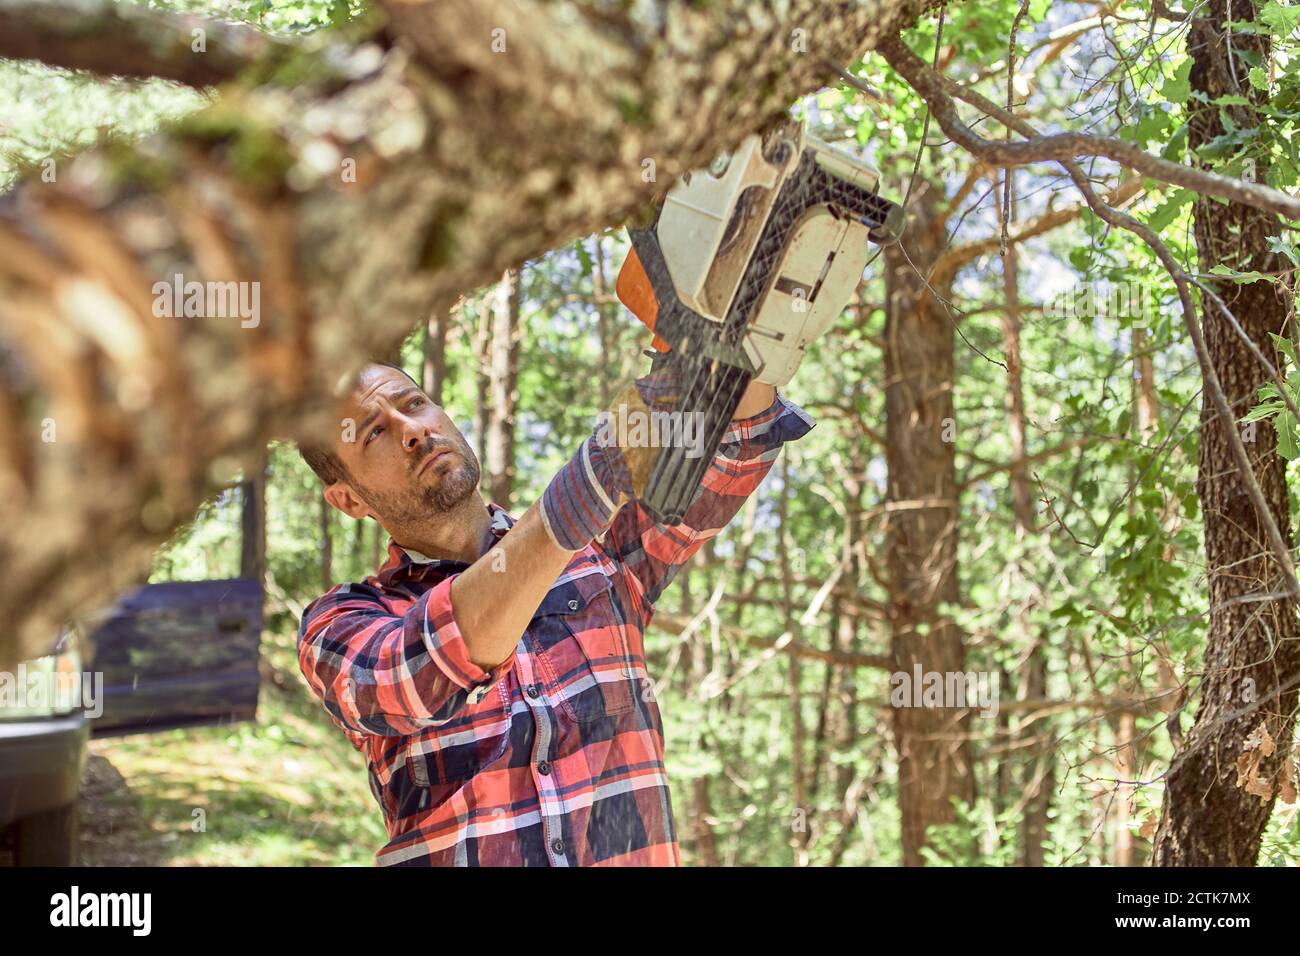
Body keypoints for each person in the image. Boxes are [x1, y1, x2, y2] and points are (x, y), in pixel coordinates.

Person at [295, 355, 814, 865]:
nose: (412, 430)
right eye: (374, 433)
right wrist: (592, 481)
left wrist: (739, 336)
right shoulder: (341, 623)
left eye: (414, 403)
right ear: (348, 500)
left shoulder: (606, 558)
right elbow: (412, 675)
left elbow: (735, 442)